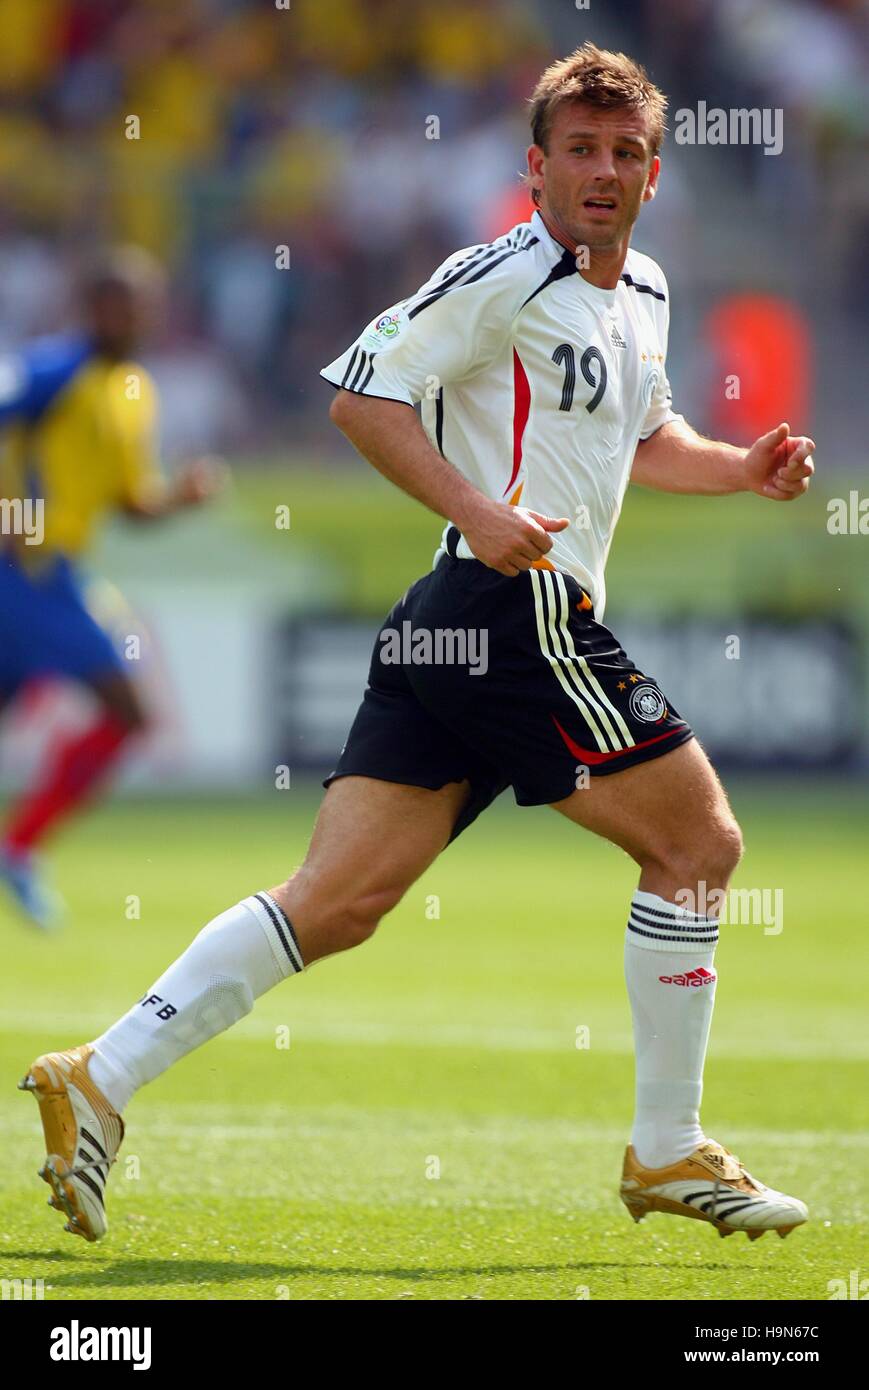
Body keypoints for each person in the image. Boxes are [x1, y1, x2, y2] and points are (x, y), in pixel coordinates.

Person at [21, 45, 815, 1244]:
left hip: (457, 621)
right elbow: (360, 394)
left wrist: (738, 469)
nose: (601, 171)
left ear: (652, 174)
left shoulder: (641, 290)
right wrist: (480, 513)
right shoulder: (499, 271)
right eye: (579, 149)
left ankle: (101, 1075)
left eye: (624, 152)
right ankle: (664, 1148)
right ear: (533, 166)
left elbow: (645, 442)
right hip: (514, 608)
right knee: (697, 842)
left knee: (337, 900)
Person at [0, 247, 224, 927]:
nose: (127, 316)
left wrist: (180, 498)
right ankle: (19, 847)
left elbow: (130, 504)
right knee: (129, 707)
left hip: (58, 570)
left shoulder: (133, 393)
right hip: (25, 572)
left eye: (139, 303)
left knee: (123, 710)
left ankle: (20, 846)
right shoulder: (50, 370)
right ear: (90, 309)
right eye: (114, 302)